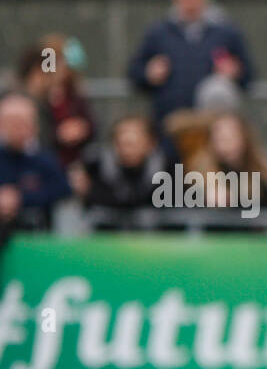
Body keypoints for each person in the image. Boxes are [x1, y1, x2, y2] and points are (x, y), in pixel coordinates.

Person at [127, 0, 256, 122]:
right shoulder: (158, 33)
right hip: (168, 123)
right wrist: (148, 74)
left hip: (212, 125)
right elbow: (134, 73)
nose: (188, 1)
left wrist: (235, 73)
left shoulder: (227, 33)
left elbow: (249, 78)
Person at [73, 115, 169, 226]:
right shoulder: (95, 168)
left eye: (132, 144)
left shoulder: (168, 170)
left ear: (150, 144)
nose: (126, 150)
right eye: (121, 144)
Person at [16, 36, 96, 167]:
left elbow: (92, 126)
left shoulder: (73, 96)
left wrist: (82, 128)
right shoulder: (27, 100)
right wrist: (58, 135)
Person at [0, 91, 70, 233]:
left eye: (23, 121)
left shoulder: (44, 158)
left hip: (36, 234)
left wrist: (20, 198)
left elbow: (63, 189)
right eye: (11, 122)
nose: (18, 128)